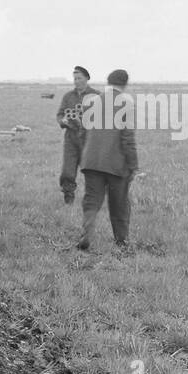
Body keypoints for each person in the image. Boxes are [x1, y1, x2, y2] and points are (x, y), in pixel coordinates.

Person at [77, 69, 139, 253]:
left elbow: (82, 132)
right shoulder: (126, 104)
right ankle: (121, 242)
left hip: (92, 161)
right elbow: (127, 138)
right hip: (116, 163)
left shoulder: (92, 101)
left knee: (91, 200)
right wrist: (133, 165)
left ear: (108, 82)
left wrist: (87, 154)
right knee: (119, 203)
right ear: (125, 84)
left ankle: (87, 232)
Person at [56, 65, 100, 204]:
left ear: (87, 78)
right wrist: (63, 120)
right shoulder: (68, 96)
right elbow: (60, 114)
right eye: (74, 78)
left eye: (79, 78)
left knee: (92, 171)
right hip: (71, 138)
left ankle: (93, 199)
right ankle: (68, 198)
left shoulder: (97, 95)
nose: (76, 81)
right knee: (67, 171)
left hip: (89, 139)